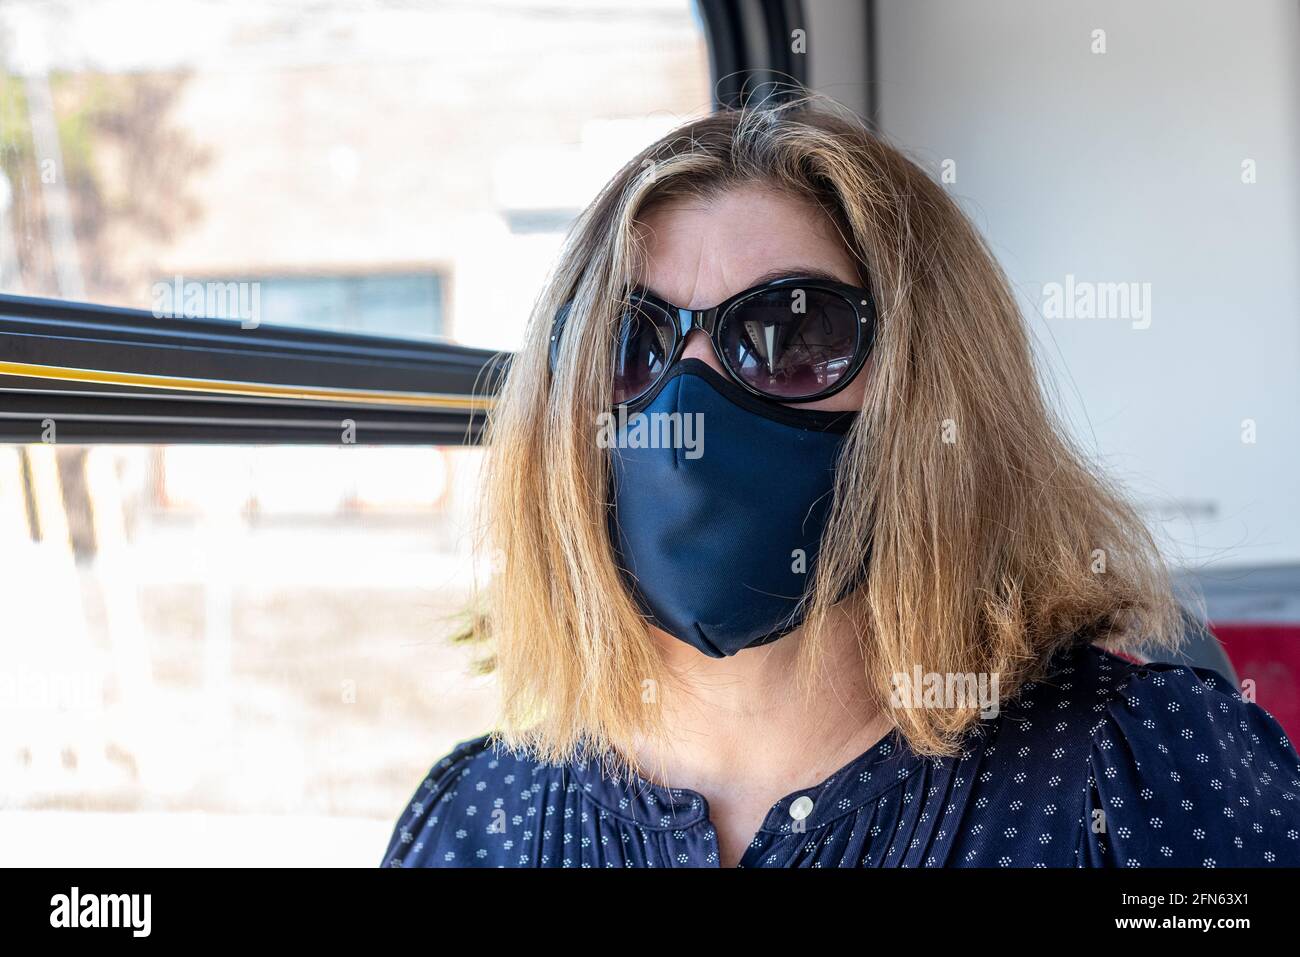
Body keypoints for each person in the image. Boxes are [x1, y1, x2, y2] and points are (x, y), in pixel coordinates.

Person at [382, 98, 1300, 868]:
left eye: (793, 334)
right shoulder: (478, 821)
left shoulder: (1138, 776)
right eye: (632, 343)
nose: (687, 400)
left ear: (928, 397)